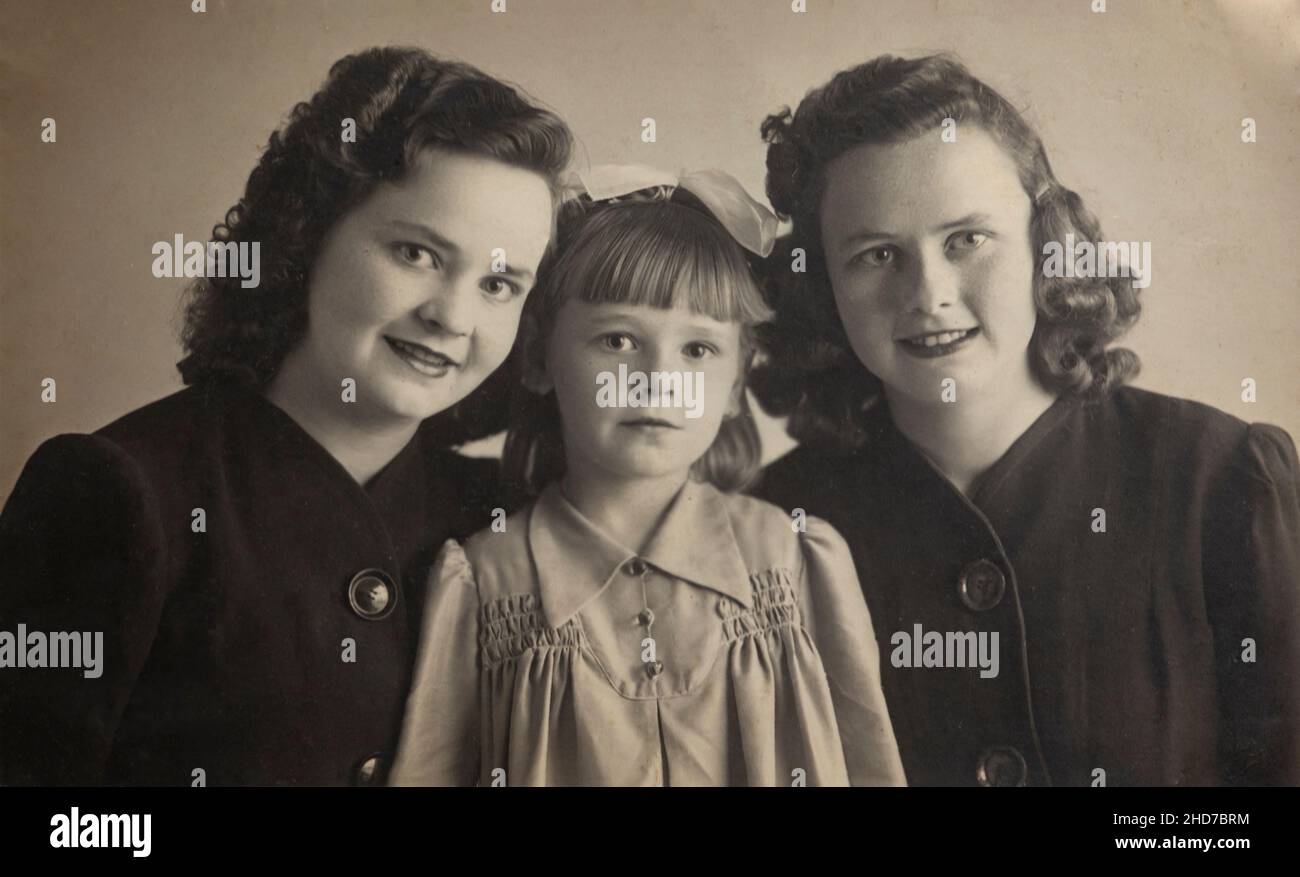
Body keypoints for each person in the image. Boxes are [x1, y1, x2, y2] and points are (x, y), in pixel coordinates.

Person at [0, 46, 572, 786]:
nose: (453, 316)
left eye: (500, 283)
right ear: (308, 234)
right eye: (417, 253)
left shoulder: (495, 514)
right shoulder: (117, 490)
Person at [750, 53, 1300, 786]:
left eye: (966, 240)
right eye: (877, 255)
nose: (929, 294)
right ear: (823, 283)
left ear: (1047, 242)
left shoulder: (1220, 480)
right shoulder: (773, 526)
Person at [388, 166, 906, 786]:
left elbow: (870, 766)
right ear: (538, 359)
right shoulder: (482, 582)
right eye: (616, 340)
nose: (659, 380)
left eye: (697, 350)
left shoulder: (798, 560)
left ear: (738, 383)